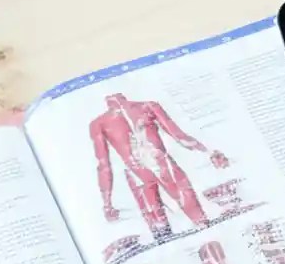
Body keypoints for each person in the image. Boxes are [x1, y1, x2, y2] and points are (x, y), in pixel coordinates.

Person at [90, 93, 229, 240]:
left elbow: (104, 165)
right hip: (161, 164)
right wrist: (209, 152)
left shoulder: (99, 123)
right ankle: (204, 227)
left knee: (161, 233)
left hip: (137, 175)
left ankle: (166, 237)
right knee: (201, 222)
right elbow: (179, 136)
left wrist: (107, 203)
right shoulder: (147, 106)